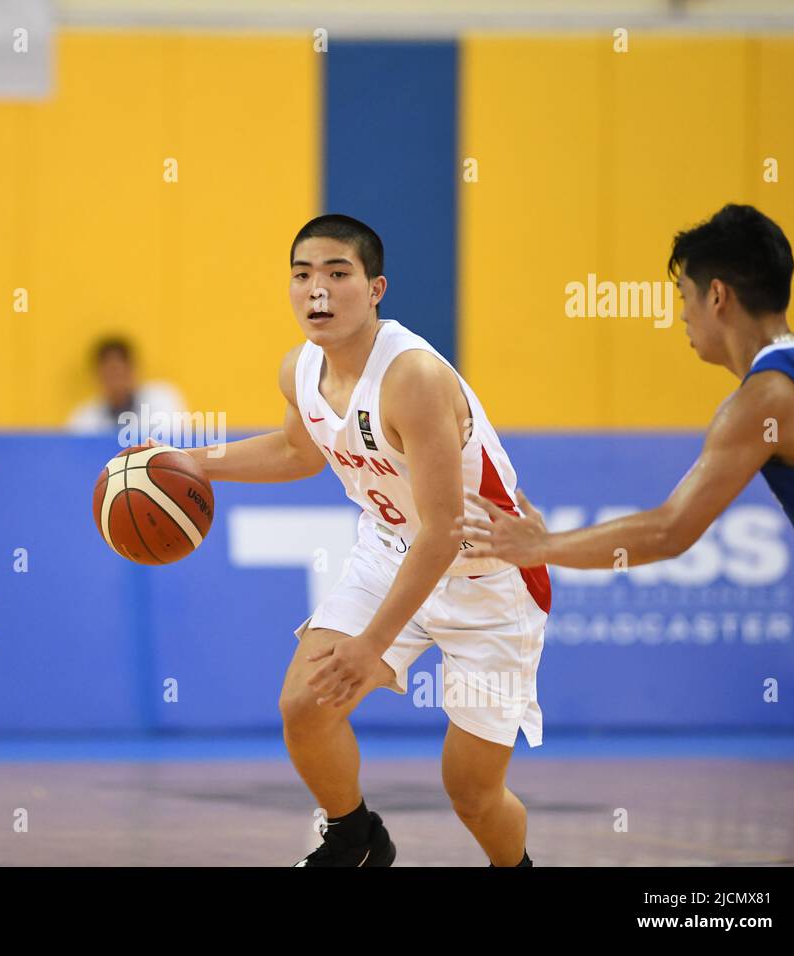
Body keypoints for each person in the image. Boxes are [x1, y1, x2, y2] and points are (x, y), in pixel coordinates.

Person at [185, 214, 551, 867]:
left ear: (376, 288)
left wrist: (370, 647)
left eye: (336, 273)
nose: (316, 291)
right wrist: (195, 463)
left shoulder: (412, 378)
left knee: (471, 794)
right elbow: (300, 451)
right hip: (389, 551)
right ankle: (356, 839)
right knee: (304, 704)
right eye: (302, 276)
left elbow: (443, 535)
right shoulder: (299, 369)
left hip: (486, 575)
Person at [464, 204, 794, 572]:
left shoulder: (764, 399)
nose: (683, 314)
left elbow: (670, 532)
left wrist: (542, 546)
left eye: (684, 295)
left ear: (717, 296)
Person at [65, 336, 185, 435]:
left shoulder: (163, 399)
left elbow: (174, 442)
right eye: (109, 373)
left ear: (132, 369)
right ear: (98, 375)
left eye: (119, 372)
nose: (116, 381)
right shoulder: (83, 417)